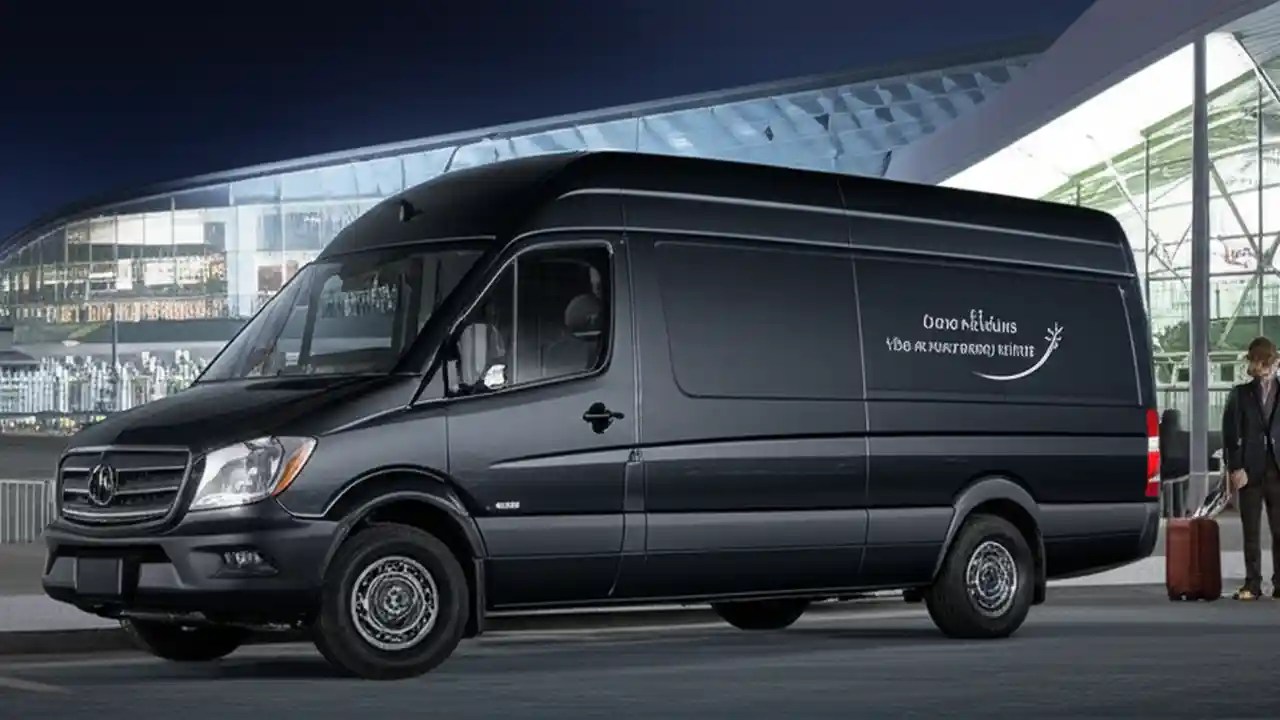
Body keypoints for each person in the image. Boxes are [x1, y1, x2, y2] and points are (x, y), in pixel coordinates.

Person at [1222, 336, 1280, 600]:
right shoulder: (1241, 394)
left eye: (1267, 363)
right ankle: (1252, 583)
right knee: (1251, 530)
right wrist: (1235, 468)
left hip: (1277, 470)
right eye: (1258, 363)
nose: (1263, 369)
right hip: (1250, 470)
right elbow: (1230, 434)